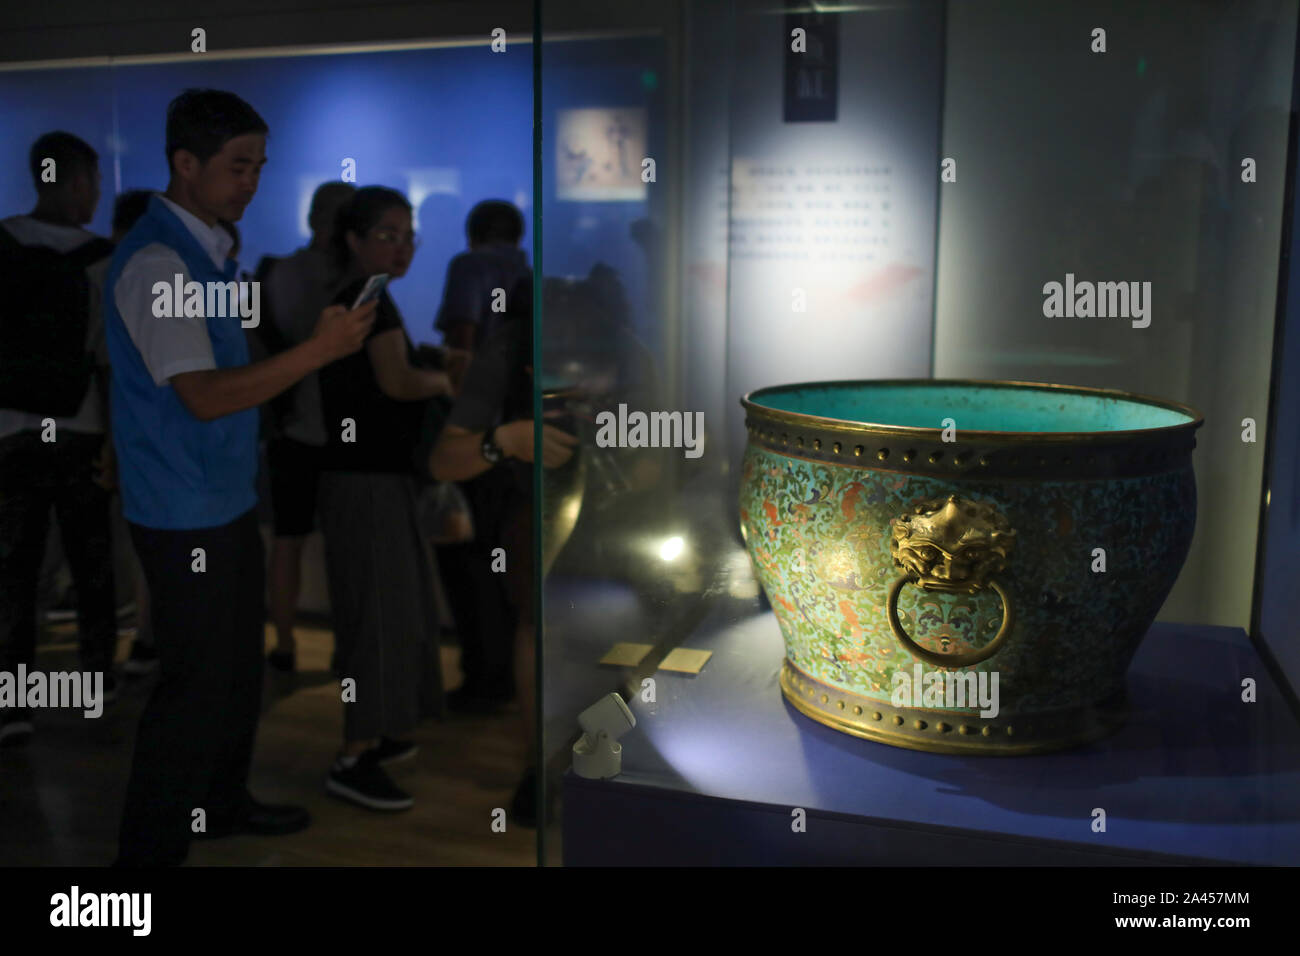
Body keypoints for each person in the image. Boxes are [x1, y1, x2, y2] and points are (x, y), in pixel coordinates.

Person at [106, 88, 377, 866]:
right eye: (237, 166)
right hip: (181, 508)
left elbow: (223, 375)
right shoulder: (159, 262)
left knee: (232, 674)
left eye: (259, 165)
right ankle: (142, 868)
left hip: (219, 497)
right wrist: (318, 351)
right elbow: (203, 395)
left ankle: (219, 805)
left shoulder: (212, 249)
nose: (252, 182)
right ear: (184, 163)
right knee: (193, 688)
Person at [316, 186, 454, 811]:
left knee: (391, 610)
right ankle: (352, 756)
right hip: (363, 479)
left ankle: (380, 735)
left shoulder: (366, 294)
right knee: (375, 617)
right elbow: (395, 382)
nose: (402, 247)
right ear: (354, 239)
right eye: (387, 235)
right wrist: (446, 379)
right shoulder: (364, 297)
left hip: (372, 476)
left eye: (408, 235)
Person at [429, 278, 578, 825]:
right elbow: (444, 461)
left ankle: (583, 766)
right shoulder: (509, 347)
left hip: (610, 517)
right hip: (535, 512)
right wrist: (507, 440)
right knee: (536, 630)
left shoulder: (619, 337)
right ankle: (542, 768)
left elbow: (668, 444)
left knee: (584, 636)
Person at [0, 131, 118, 747]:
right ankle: (96, 681)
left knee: (14, 571)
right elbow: (109, 360)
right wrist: (115, 444)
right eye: (93, 183)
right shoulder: (102, 259)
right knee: (90, 561)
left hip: (9, 432)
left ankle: (14, 702)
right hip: (79, 428)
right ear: (77, 183)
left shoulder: (2, 243)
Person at [434, 200, 531, 714]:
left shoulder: (468, 265)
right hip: (521, 444)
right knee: (510, 565)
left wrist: (458, 408)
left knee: (473, 564)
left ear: (472, 234)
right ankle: (512, 677)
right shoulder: (528, 272)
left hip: (481, 436)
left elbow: (462, 340)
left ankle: (485, 680)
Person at [256, 181, 355, 672]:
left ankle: (284, 644)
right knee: (341, 545)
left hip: (289, 427)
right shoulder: (354, 279)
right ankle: (343, 645)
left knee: (287, 539)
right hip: (340, 430)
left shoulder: (277, 272)